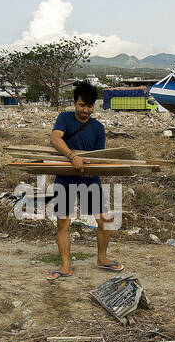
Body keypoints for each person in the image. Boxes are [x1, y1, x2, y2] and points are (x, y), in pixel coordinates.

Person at [46, 81, 121, 280]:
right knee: (63, 223)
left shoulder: (97, 127)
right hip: (65, 178)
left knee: (104, 221)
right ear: (74, 103)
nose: (85, 110)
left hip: (90, 179)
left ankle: (102, 258)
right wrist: (73, 157)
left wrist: (92, 167)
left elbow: (99, 155)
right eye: (81, 105)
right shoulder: (65, 118)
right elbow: (55, 139)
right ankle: (65, 266)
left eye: (89, 106)